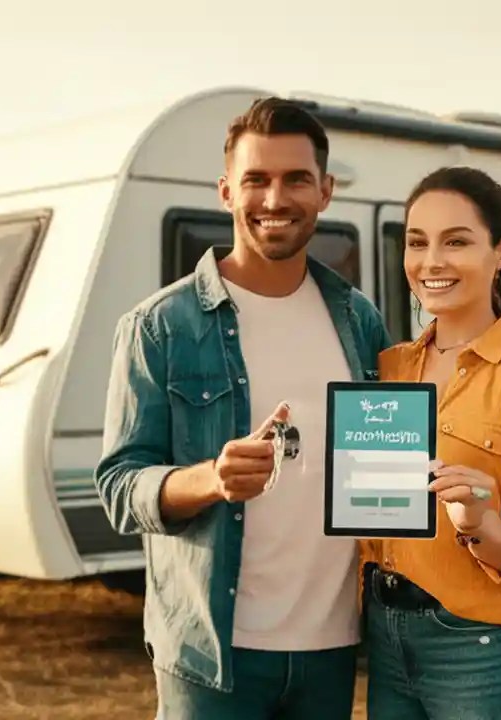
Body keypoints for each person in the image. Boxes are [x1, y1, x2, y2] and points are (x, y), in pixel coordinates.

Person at [94, 97, 392, 719]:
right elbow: (120, 486)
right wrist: (211, 479)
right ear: (227, 191)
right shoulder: (159, 327)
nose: (275, 199)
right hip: (211, 655)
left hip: (332, 648)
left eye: (296, 180)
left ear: (326, 191)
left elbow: (381, 462)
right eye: (257, 179)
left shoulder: (358, 319)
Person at [360, 166, 501, 720]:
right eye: (417, 243)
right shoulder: (390, 368)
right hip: (386, 638)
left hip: (484, 648)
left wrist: (482, 525)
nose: (431, 261)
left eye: (456, 242)